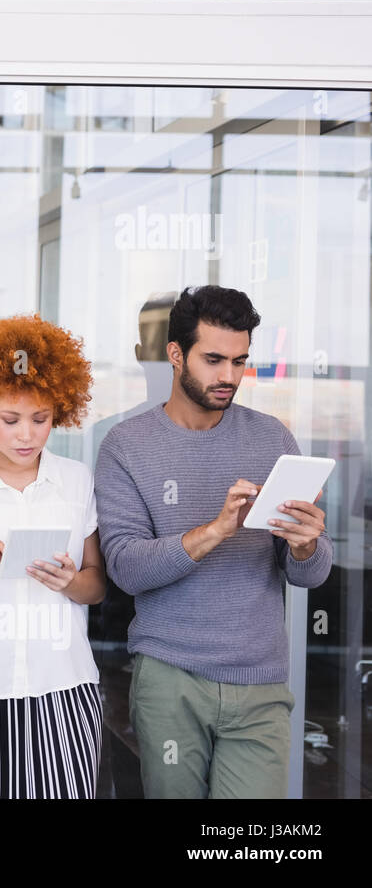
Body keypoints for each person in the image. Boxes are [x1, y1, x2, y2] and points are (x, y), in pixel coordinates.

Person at [95, 285, 332, 799]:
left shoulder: (273, 438)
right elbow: (126, 569)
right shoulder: (126, 445)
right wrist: (216, 530)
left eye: (240, 361)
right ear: (176, 355)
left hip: (261, 683)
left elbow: (309, 574)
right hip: (170, 679)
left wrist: (306, 546)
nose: (228, 376)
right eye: (214, 359)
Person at [0, 315, 105, 798]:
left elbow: (96, 587)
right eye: (10, 420)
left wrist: (68, 580)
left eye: (41, 419)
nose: (26, 435)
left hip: (63, 689)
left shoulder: (76, 479)